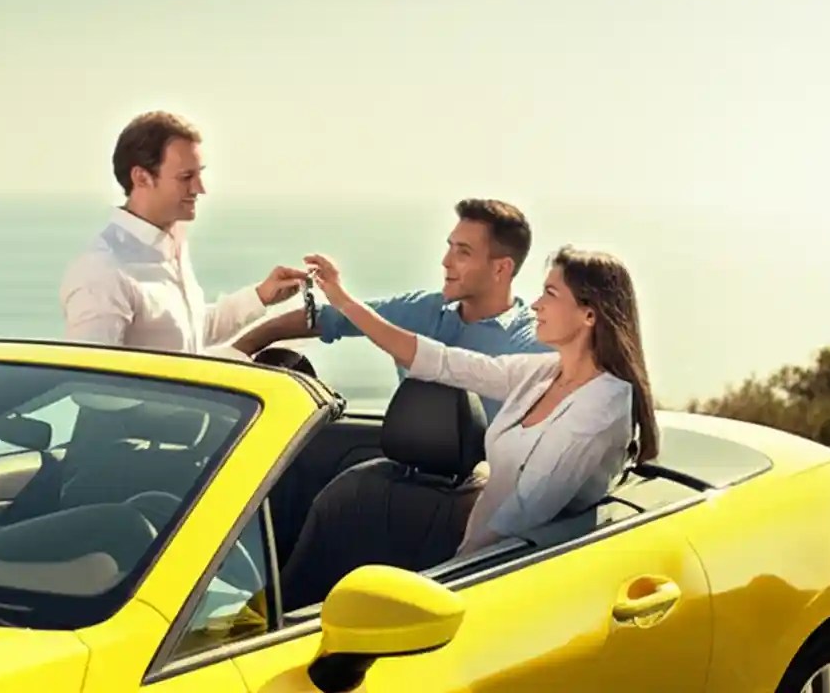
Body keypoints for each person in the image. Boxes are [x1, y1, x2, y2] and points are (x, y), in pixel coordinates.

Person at [303, 244, 659, 553]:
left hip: (511, 569)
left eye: (550, 293)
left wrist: (454, 570)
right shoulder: (542, 372)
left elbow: (524, 512)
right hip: (480, 553)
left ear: (589, 314)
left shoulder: (604, 405)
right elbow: (439, 361)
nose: (535, 304)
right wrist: (342, 300)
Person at [233, 198, 550, 423]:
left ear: (501, 269)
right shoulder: (423, 310)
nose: (446, 261)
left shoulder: (531, 342)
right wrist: (237, 352)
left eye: (463, 252)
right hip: (407, 479)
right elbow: (324, 319)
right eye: (449, 246)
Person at [59, 110, 308, 354]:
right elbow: (93, 387)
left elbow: (190, 332)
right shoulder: (102, 270)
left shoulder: (172, 244)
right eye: (186, 177)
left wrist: (261, 296)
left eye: (199, 174)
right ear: (141, 178)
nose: (200, 188)